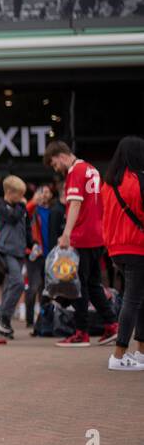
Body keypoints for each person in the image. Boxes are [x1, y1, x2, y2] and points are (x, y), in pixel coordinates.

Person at [44, 140, 119, 346]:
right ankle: (112, 324)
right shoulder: (92, 169)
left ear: (60, 155)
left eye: (54, 164)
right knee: (93, 284)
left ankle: (81, 332)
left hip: (82, 236)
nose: (56, 168)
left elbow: (75, 204)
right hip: (96, 235)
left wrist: (66, 234)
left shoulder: (75, 172)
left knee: (77, 286)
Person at [101, 136, 144, 370]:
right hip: (138, 247)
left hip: (116, 249)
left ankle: (140, 353)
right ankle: (118, 355)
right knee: (133, 300)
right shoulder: (139, 181)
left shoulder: (108, 184)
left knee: (138, 298)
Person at [0, 176, 30, 339]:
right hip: (6, 250)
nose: (21, 198)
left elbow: (25, 227)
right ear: (9, 192)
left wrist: (32, 243)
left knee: (11, 285)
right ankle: (4, 318)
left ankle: (2, 322)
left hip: (19, 251)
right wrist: (23, 204)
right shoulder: (1, 205)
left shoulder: (20, 208)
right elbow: (13, 218)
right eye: (19, 194)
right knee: (18, 282)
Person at [25, 183, 64, 331]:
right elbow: (26, 210)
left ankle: (43, 317)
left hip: (50, 255)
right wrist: (34, 201)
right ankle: (29, 319)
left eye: (47, 192)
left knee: (47, 289)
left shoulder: (55, 210)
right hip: (35, 254)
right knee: (33, 287)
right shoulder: (33, 210)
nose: (45, 194)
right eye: (42, 191)